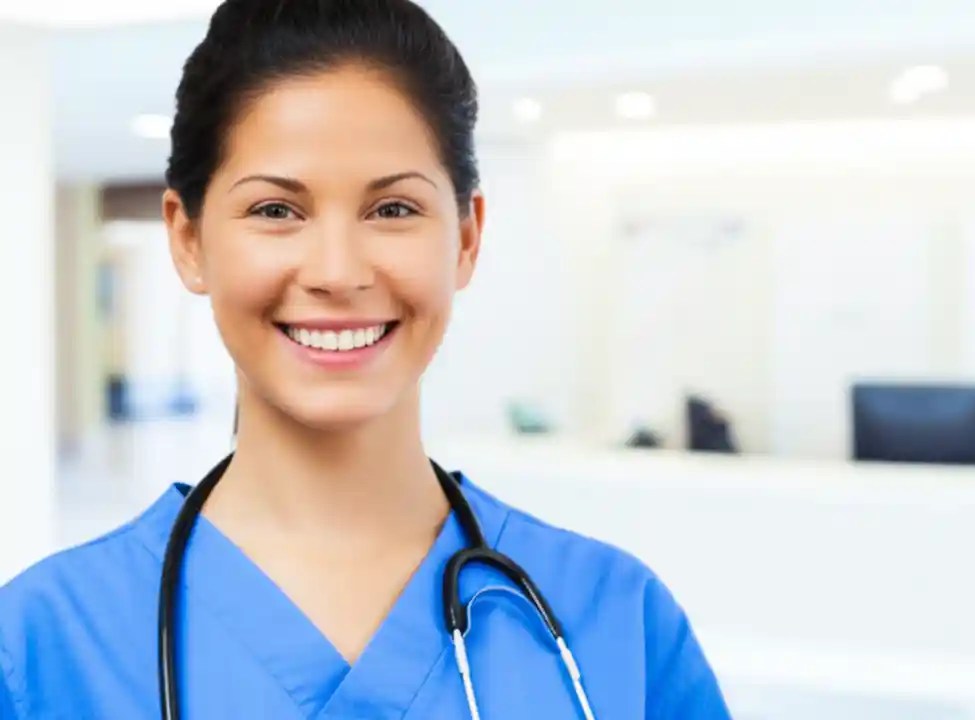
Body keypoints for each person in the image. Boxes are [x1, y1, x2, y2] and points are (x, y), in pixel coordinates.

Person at [0, 1, 731, 717]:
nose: (337, 271)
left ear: (467, 238)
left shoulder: (619, 622)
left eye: (393, 210)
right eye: (275, 211)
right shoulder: (42, 646)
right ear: (188, 241)